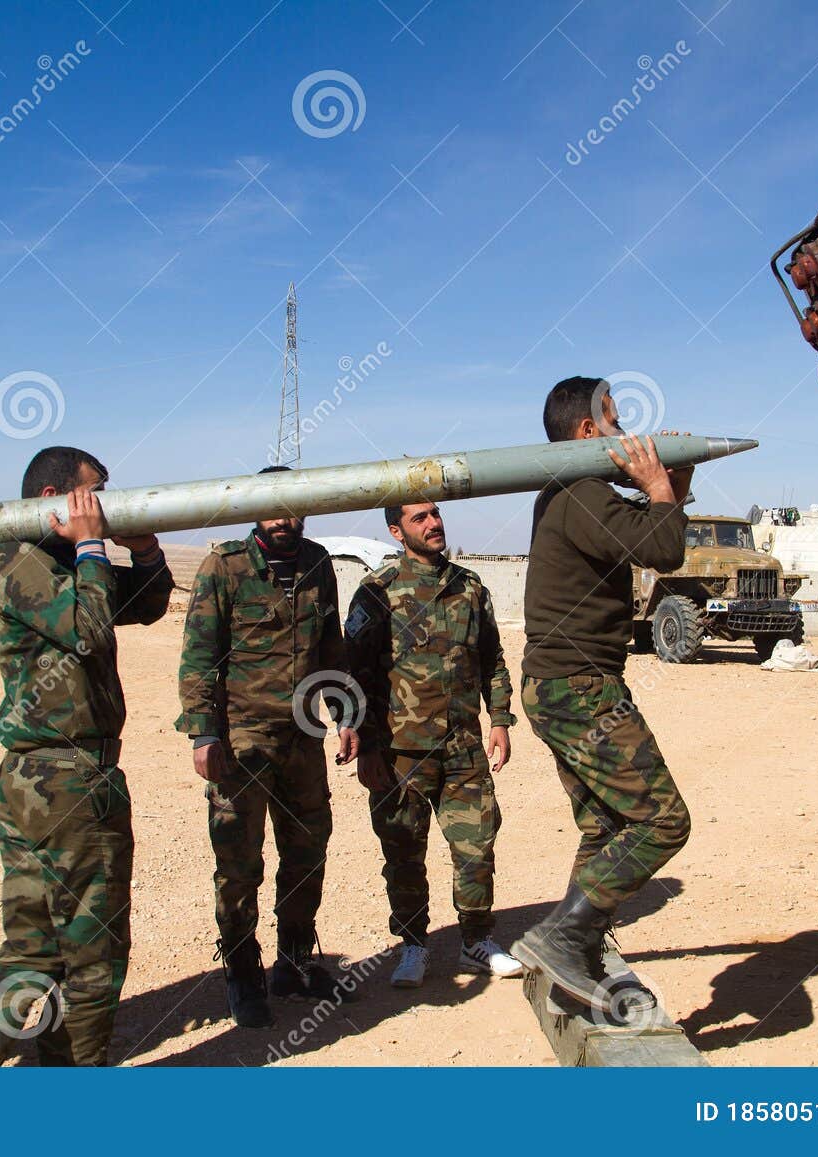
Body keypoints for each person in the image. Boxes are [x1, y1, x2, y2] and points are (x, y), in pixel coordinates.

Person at [0, 446, 173, 1067]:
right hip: (63, 778)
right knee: (91, 954)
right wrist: (94, 547)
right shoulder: (19, 560)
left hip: (53, 776)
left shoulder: (57, 560)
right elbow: (90, 627)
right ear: (52, 500)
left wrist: (143, 548)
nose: (101, 503)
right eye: (92, 492)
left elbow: (145, 604)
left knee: (35, 949)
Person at [510, 376, 693, 1016]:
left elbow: (641, 531)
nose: (624, 432)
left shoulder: (570, 493)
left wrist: (678, 478)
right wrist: (660, 487)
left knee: (605, 826)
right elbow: (664, 548)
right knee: (663, 820)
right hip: (578, 687)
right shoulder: (583, 493)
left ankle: (575, 950)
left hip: (561, 684)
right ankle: (565, 934)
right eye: (614, 420)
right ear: (588, 432)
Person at [177, 469, 360, 1029]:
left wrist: (345, 713)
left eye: (295, 507)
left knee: (307, 852)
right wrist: (205, 733)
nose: (286, 518)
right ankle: (241, 971)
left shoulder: (319, 563)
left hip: (304, 736)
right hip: (243, 740)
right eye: (275, 507)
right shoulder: (224, 566)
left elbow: (332, 645)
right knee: (239, 861)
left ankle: (296, 961)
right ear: (255, 510)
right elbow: (200, 655)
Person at [344, 501, 524, 988]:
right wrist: (365, 743)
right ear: (396, 531)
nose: (434, 523)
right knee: (403, 852)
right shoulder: (377, 592)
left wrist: (501, 719)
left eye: (436, 514)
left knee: (476, 847)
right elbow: (353, 673)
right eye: (419, 518)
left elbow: (493, 659)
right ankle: (413, 945)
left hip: (463, 748)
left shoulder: (469, 588)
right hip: (400, 753)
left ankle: (476, 941)